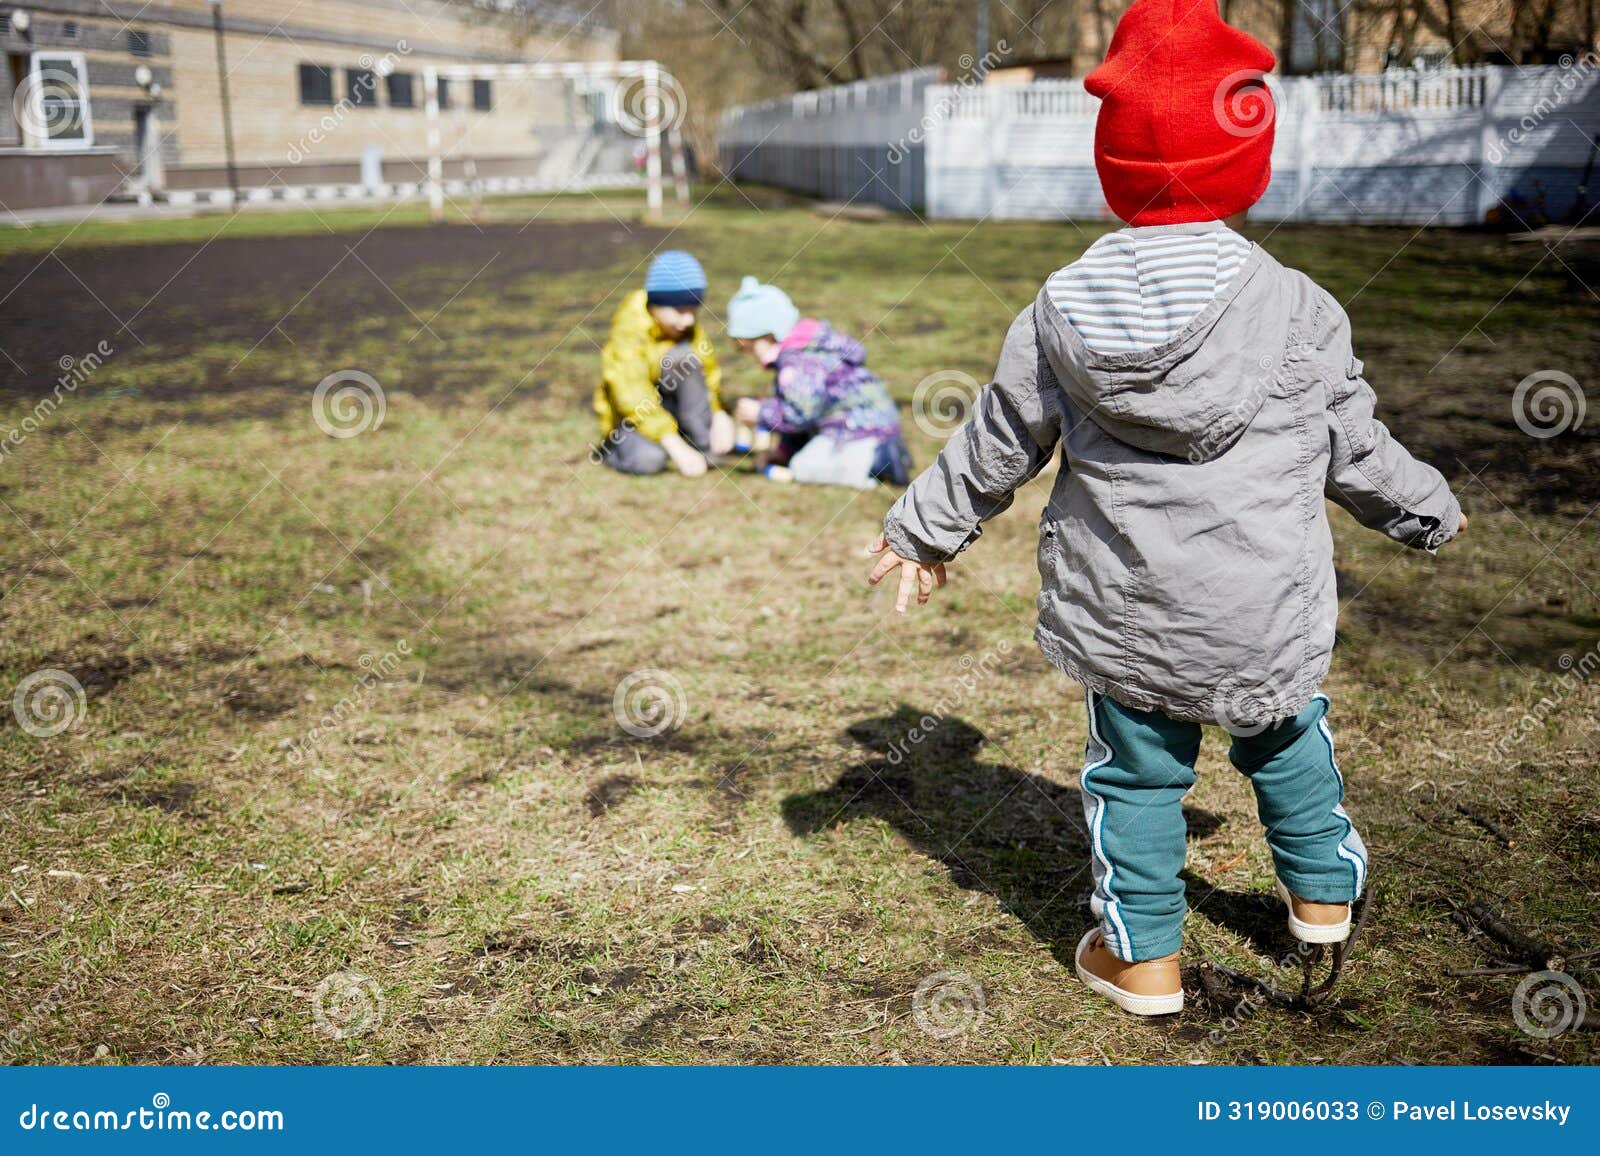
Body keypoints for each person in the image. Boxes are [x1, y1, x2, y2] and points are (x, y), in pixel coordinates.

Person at [866, 0, 1467, 1016]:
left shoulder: (1058, 306)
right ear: (1248, 162)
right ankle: (1320, 890)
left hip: (1129, 608)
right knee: (1283, 733)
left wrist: (927, 530)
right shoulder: (1298, 304)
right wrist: (1424, 508)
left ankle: (1142, 959)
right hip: (1261, 605)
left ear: (1115, 167)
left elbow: (998, 438)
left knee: (1137, 780)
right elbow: (1351, 444)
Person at [725, 276, 911, 490]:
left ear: (767, 336)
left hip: (856, 432)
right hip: (873, 428)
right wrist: (785, 450)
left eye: (749, 348)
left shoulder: (798, 363)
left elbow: (801, 414)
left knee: (802, 467)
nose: (751, 356)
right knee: (800, 457)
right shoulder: (809, 351)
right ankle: (876, 456)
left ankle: (866, 467)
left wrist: (761, 413)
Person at [593, 250, 734, 477]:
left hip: (668, 412)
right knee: (649, 460)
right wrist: (674, 444)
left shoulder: (686, 328)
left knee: (684, 358)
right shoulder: (629, 327)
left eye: (693, 310)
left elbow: (708, 372)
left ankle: (703, 442)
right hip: (632, 418)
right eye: (679, 310)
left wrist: (719, 414)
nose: (687, 320)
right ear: (656, 303)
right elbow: (630, 393)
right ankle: (614, 450)